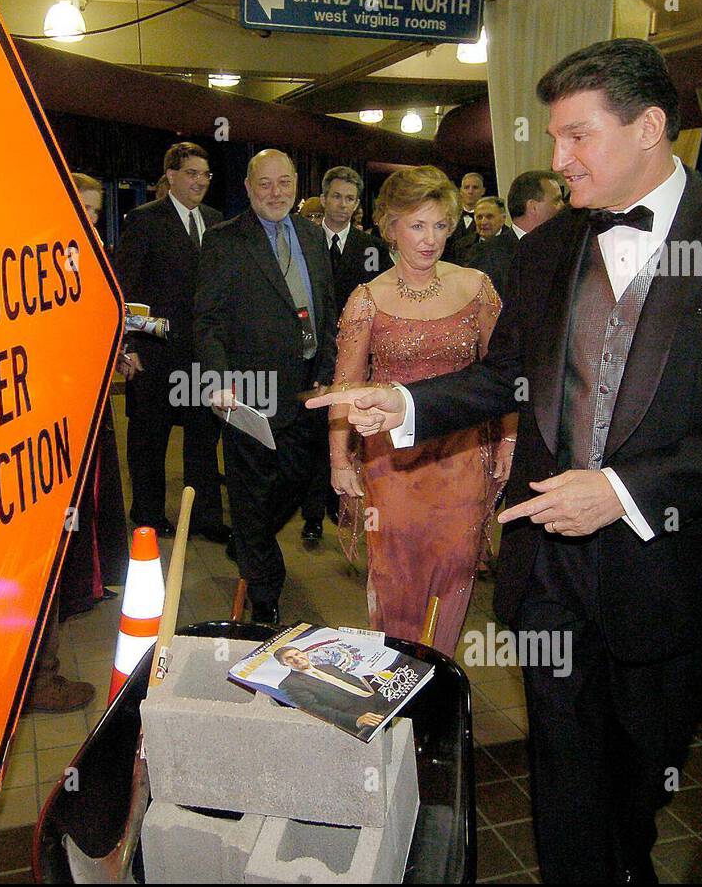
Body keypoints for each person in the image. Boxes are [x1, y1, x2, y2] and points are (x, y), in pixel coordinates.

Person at [309, 38, 702, 883]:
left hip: (672, 575)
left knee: (642, 773)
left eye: (578, 136)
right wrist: (404, 404)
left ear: (650, 127)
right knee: (561, 770)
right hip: (546, 570)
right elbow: (507, 372)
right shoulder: (547, 248)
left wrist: (625, 491)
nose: (558, 159)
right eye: (554, 138)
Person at [329, 166, 513, 651]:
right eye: (417, 225)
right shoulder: (367, 299)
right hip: (391, 462)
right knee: (395, 571)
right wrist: (338, 459)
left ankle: (435, 676)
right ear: (390, 227)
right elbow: (345, 386)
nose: (430, 239)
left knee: (454, 568)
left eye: (440, 225)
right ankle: (396, 680)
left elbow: (505, 376)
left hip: (463, 455)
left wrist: (510, 438)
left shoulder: (477, 287)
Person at [195, 148, 337, 625]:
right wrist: (216, 380)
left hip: (307, 390)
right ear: (248, 187)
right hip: (249, 394)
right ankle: (266, 593)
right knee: (251, 493)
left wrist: (328, 363)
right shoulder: (225, 241)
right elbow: (208, 320)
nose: (276, 193)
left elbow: (327, 308)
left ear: (297, 184)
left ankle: (249, 538)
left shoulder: (313, 236)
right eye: (265, 184)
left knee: (299, 482)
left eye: (285, 183)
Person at [28, 173, 129, 712]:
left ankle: (75, 594)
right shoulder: (36, 258)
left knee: (82, 505)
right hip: (45, 410)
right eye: (79, 207)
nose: (88, 218)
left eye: (94, 209)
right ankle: (37, 672)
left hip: (81, 401)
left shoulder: (92, 255)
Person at [114, 142, 229, 544]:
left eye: (205, 174)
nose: (200, 181)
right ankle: (146, 513)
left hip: (202, 356)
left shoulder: (216, 222)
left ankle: (205, 518)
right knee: (149, 439)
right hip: (154, 355)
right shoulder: (145, 220)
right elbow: (124, 290)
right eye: (192, 173)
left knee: (202, 441)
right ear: (172, 176)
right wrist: (129, 346)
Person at [301, 166, 388, 543]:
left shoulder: (371, 247)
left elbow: (382, 297)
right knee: (315, 434)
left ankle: (341, 506)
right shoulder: (306, 241)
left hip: (359, 351)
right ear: (324, 197)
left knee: (349, 429)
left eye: (350, 199)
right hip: (315, 348)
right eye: (336, 196)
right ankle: (310, 513)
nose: (342, 205)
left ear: (357, 205)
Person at [467, 170, 565, 297]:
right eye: (557, 201)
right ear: (533, 207)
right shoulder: (488, 255)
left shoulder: (562, 249)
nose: (562, 206)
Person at [272, 645, 391, 733]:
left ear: (304, 653)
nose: (297, 659)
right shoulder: (289, 684)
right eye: (289, 658)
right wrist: (356, 721)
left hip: (378, 699)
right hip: (359, 714)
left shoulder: (327, 667)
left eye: (297, 654)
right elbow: (316, 711)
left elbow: (357, 683)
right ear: (283, 664)